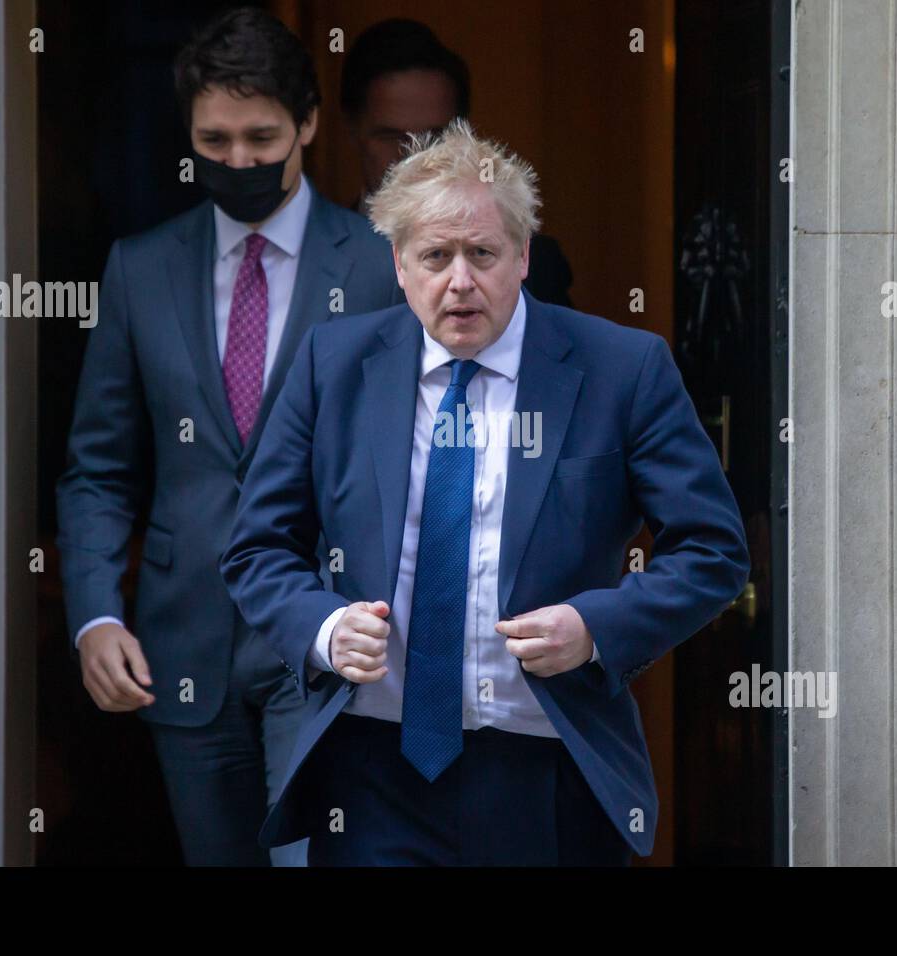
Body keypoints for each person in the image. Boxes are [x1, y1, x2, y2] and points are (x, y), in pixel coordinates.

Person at [221, 119, 750, 865]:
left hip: (545, 769)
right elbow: (257, 547)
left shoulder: (623, 370)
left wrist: (594, 627)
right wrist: (323, 629)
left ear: (524, 256)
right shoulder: (331, 363)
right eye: (435, 256)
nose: (460, 281)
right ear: (400, 265)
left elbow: (714, 551)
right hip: (375, 771)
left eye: (483, 254)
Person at [55, 7, 400, 866]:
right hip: (182, 643)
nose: (238, 160)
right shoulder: (140, 267)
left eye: (260, 136)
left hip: (325, 635)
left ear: (309, 125)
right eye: (215, 140)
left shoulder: (380, 265)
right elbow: (97, 469)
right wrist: (95, 614)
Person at [340, 18, 575, 307]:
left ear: (465, 135)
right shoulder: (318, 255)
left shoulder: (534, 265)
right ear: (352, 131)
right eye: (391, 137)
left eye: (434, 137)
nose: (413, 156)